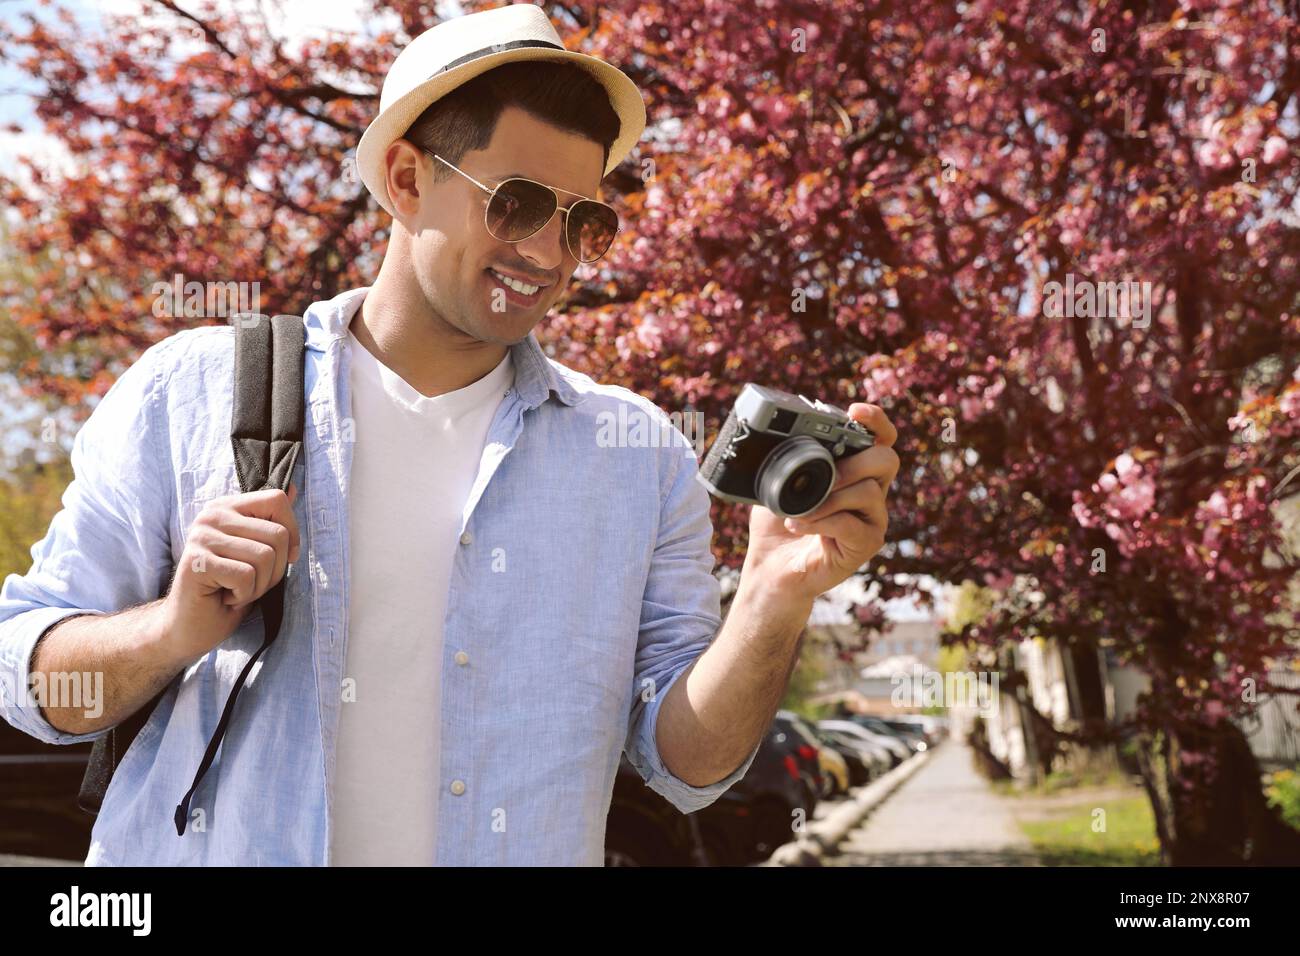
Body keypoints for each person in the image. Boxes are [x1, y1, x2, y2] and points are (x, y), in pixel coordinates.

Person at [0, 3, 899, 865]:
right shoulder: (193, 389)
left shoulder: (638, 455)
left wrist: (775, 598)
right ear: (405, 179)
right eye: (515, 203)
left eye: (585, 223)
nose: (549, 255)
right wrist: (171, 629)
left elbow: (691, 766)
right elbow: (30, 679)